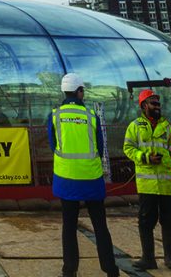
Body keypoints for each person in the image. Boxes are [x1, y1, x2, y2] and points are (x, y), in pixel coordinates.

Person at [48, 73, 119, 277]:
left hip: (66, 178)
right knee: (100, 226)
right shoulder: (90, 116)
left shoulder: (55, 115)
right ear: (79, 92)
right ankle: (110, 269)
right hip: (91, 178)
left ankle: (69, 270)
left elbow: (54, 145)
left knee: (69, 226)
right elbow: (100, 147)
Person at [123, 89, 171, 270]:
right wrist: (145, 157)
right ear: (143, 105)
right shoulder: (135, 126)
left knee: (169, 221)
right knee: (146, 221)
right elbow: (128, 148)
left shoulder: (167, 127)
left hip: (168, 184)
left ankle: (169, 258)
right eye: (153, 103)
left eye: (158, 103)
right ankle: (149, 258)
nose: (157, 106)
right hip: (147, 185)